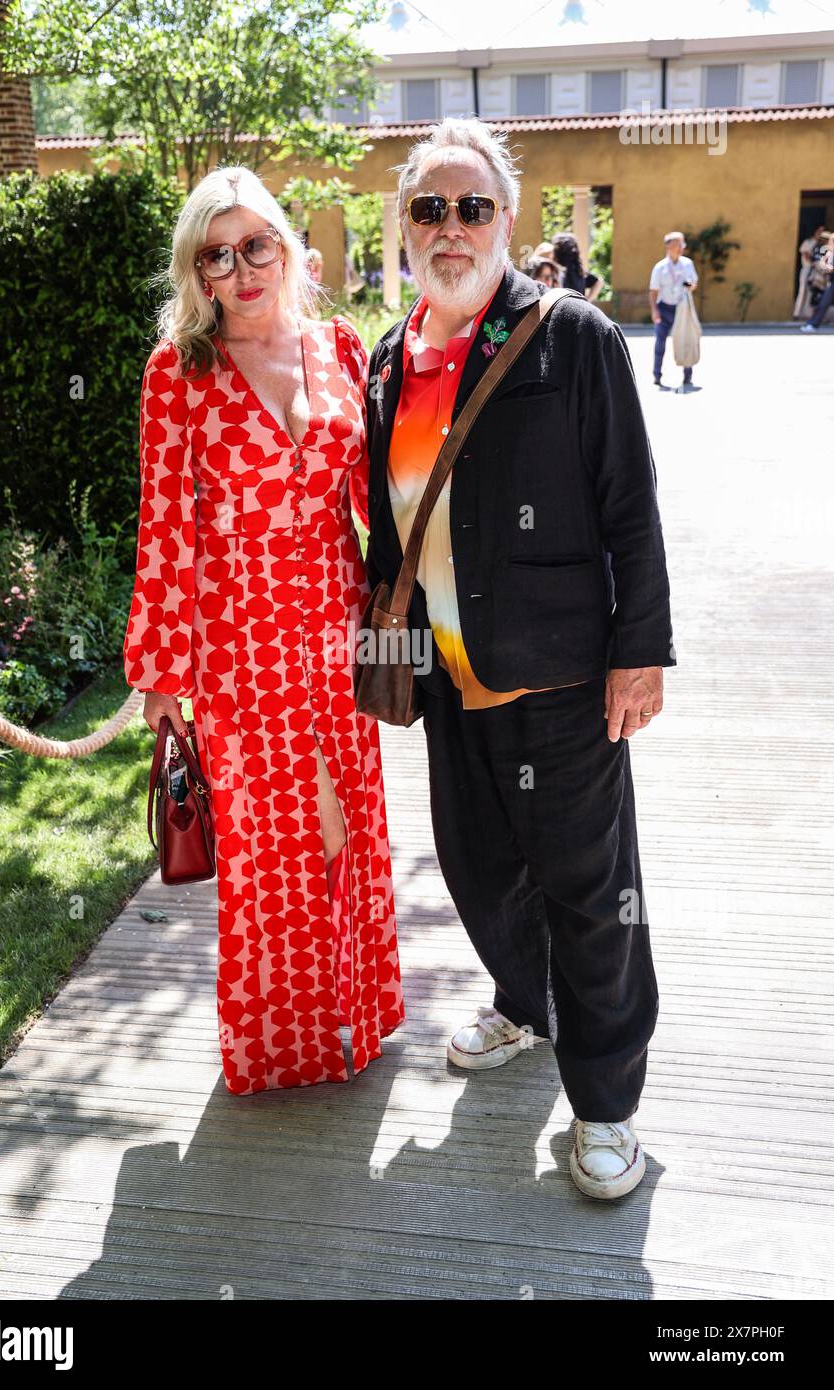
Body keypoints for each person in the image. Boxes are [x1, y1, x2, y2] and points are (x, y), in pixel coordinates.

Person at [361, 117, 675, 1200]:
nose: (451, 229)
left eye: (474, 207)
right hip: (454, 677)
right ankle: (526, 1004)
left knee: (592, 894)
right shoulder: (389, 359)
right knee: (479, 866)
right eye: (430, 208)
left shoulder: (571, 335)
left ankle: (606, 1104)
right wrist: (387, 663)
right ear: (404, 224)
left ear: (508, 220)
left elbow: (630, 505)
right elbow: (385, 534)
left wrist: (641, 651)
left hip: (562, 677)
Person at [123, 166, 405, 1095]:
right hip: (238, 642)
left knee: (346, 825)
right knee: (268, 850)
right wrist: (162, 675)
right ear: (195, 272)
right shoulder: (178, 374)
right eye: (216, 254)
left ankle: (353, 1023)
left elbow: (379, 499)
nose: (240, 270)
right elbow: (163, 527)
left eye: (257, 245)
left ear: (288, 248)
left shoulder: (339, 345)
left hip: (337, 625)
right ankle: (283, 1047)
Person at [649, 232, 699, 391]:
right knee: (660, 342)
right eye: (678, 245)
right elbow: (653, 292)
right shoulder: (660, 267)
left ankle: (687, 376)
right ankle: (657, 375)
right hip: (664, 308)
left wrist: (691, 285)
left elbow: (694, 284)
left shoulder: (688, 264)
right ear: (669, 246)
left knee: (686, 340)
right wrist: (654, 311)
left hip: (682, 308)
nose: (681, 248)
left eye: (682, 245)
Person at [551, 231, 603, 301]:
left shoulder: (558, 271)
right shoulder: (578, 270)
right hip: (579, 309)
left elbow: (598, 282)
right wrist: (587, 301)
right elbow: (598, 282)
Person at [799, 232, 834, 331]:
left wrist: (829, 268)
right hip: (831, 282)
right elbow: (824, 264)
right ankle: (812, 324)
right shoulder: (829, 252)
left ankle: (813, 324)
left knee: (823, 304)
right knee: (823, 304)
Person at [793, 224, 826, 320]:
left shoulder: (821, 244)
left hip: (817, 271)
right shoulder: (808, 242)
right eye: (819, 231)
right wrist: (813, 263)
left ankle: (808, 315)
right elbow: (805, 254)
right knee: (803, 290)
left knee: (812, 293)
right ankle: (797, 313)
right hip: (807, 269)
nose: (820, 234)